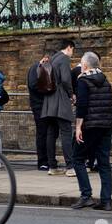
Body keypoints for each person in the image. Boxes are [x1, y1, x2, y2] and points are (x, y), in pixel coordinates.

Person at [72, 51, 112, 210]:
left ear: (85, 65)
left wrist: (78, 127)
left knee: (77, 158)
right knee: (104, 162)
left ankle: (86, 195)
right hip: (106, 125)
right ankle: (106, 201)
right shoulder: (105, 80)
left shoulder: (83, 80)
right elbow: (111, 104)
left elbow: (81, 106)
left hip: (89, 126)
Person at [40, 40, 77, 176]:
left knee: (51, 134)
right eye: (72, 50)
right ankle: (70, 167)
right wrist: (71, 94)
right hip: (60, 98)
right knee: (66, 132)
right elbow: (66, 80)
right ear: (69, 47)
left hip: (49, 100)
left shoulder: (53, 58)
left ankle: (52, 167)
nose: (72, 53)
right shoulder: (64, 59)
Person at [26, 50, 52, 172]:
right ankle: (42, 161)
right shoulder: (35, 68)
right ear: (45, 58)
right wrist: (48, 90)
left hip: (44, 105)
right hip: (39, 106)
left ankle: (48, 160)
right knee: (42, 134)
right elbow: (33, 85)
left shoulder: (44, 68)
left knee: (47, 133)